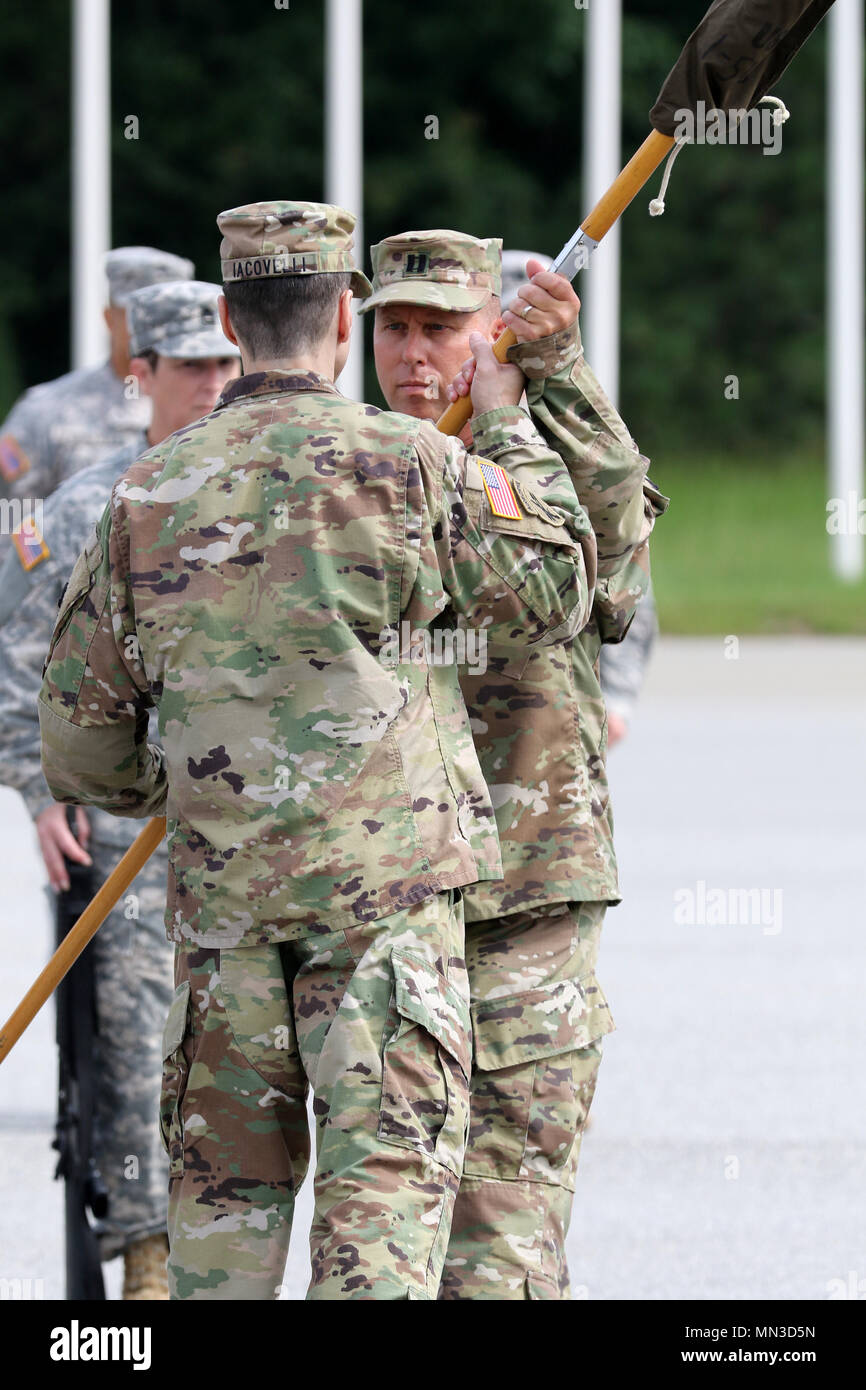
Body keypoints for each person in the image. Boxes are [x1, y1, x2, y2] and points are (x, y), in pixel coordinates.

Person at [36, 199, 599, 1302]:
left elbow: (79, 739)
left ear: (232, 322)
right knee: (378, 1218)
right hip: (386, 924)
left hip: (223, 920)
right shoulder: (413, 468)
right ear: (346, 318)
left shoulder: (145, 490)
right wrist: (510, 417)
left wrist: (191, 785)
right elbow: (557, 586)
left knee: (222, 1233)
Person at [363, 228, 667, 1298]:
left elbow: (618, 566)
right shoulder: (349, 460)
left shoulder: (539, 448)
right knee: (385, 1239)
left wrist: (542, 387)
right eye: (391, 328)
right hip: (383, 898)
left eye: (437, 328)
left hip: (526, 884)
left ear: (488, 334)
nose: (410, 353)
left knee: (502, 1238)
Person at [0, 279, 240, 1298]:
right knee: (135, 1043)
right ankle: (145, 1260)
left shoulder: (269, 484)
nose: (214, 384)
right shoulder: (88, 501)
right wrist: (38, 790)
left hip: (253, 825)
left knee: (245, 1048)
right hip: (127, 817)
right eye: (191, 367)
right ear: (141, 376)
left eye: (226, 364)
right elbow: (21, 651)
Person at [0, 246, 194, 558]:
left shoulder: (210, 406)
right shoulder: (45, 412)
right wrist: (51, 587)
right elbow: (13, 517)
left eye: (165, 317)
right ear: (110, 318)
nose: (151, 329)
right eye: (138, 316)